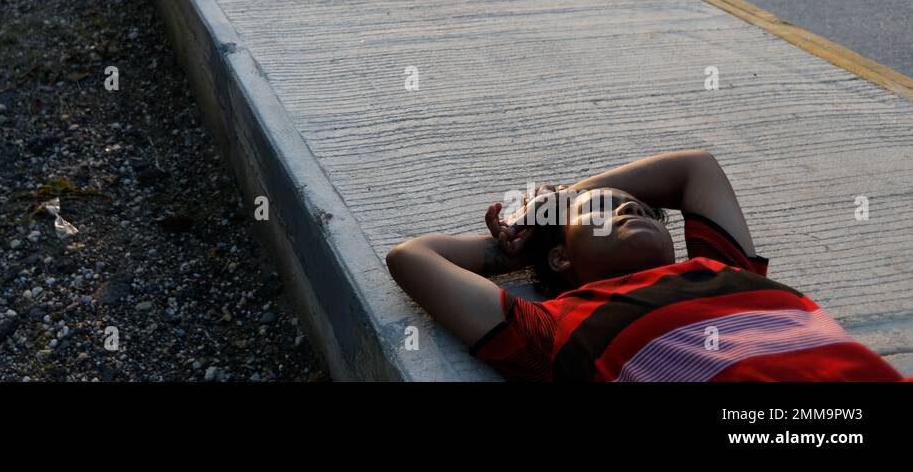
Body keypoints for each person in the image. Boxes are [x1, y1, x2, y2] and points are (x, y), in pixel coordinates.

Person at [386, 148, 904, 381]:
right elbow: (411, 257)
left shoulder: (723, 269)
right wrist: (516, 239)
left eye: (645, 209)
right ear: (562, 257)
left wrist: (562, 199)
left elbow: (692, 167)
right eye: (605, 209)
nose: (633, 205)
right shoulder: (559, 326)